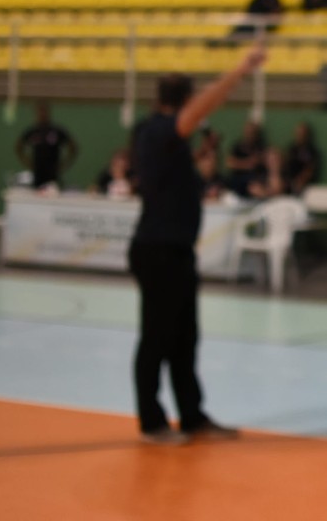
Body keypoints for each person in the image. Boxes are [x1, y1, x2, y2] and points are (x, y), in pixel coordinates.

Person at [129, 43, 266, 444]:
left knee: (185, 336)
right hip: (157, 249)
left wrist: (201, 165)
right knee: (157, 336)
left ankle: (192, 416)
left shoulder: (170, 143)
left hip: (176, 249)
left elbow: (180, 184)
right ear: (186, 101)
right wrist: (240, 70)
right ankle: (151, 421)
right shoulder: (155, 130)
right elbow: (197, 113)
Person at [16, 101, 77, 188]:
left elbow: (73, 147)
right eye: (40, 111)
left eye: (44, 111)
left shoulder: (56, 131)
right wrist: (28, 163)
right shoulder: (33, 131)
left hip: (53, 173)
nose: (42, 114)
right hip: (38, 173)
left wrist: (64, 164)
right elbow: (18, 146)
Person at [225, 119, 267, 198]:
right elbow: (229, 163)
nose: (249, 133)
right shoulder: (237, 146)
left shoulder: (260, 147)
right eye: (248, 131)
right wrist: (247, 164)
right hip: (238, 179)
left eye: (252, 131)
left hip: (255, 179)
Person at [282, 121, 321, 196]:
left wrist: (301, 181)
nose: (300, 135)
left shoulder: (312, 151)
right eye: (298, 133)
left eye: (302, 133)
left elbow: (310, 168)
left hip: (305, 187)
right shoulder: (291, 149)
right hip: (289, 184)